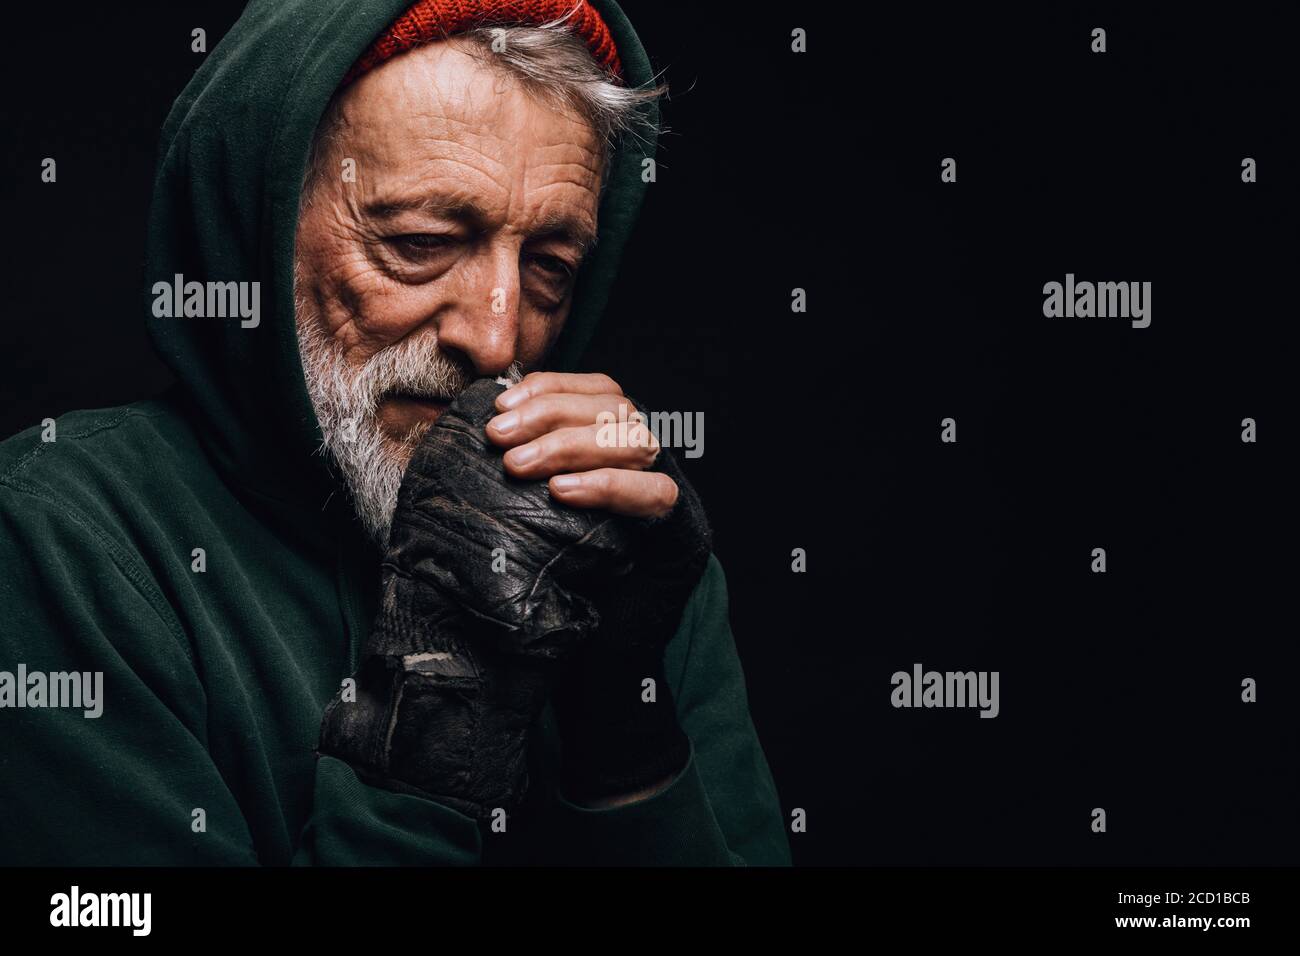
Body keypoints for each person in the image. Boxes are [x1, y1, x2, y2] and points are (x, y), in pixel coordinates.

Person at [0, 0, 788, 866]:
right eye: (419, 242)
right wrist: (430, 745)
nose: (495, 338)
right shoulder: (54, 546)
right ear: (251, 238)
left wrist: (622, 728)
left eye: (549, 267)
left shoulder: (616, 547)